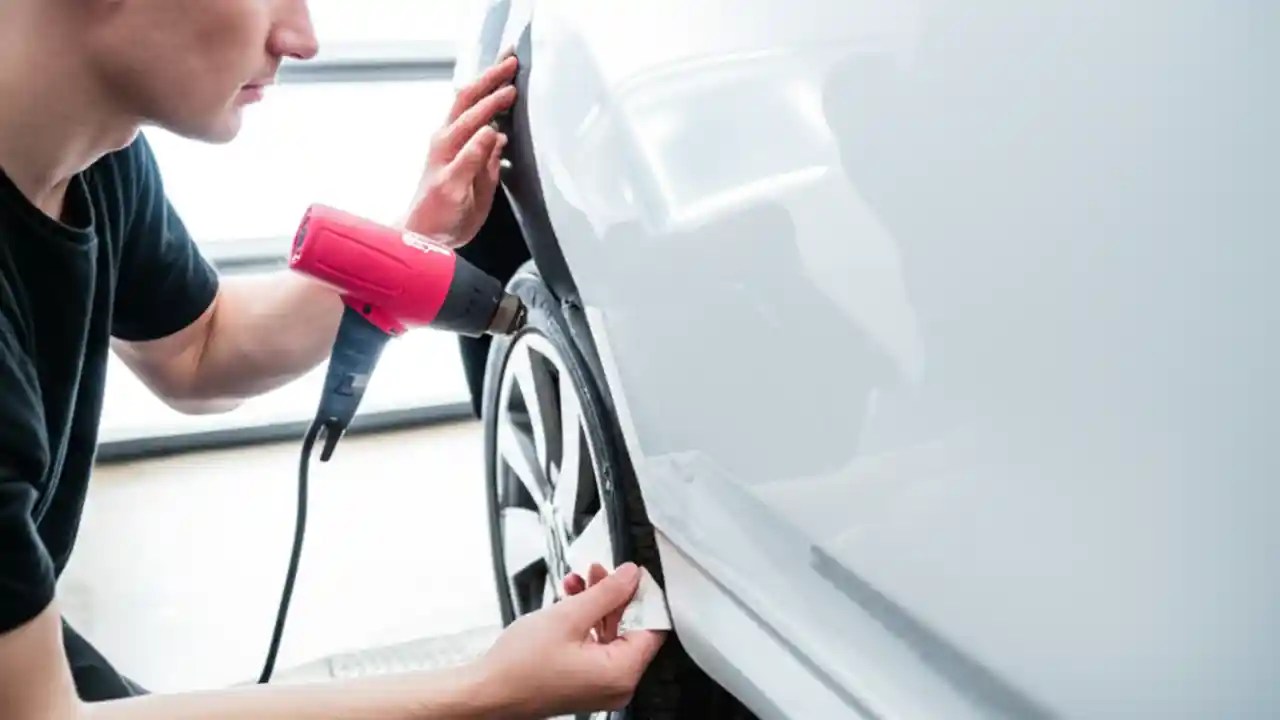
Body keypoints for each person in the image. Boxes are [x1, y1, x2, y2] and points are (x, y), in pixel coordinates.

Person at [0, 0, 667, 718]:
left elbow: (200, 349)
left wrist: (414, 239)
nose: (303, 39)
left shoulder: (95, 161)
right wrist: (489, 690)